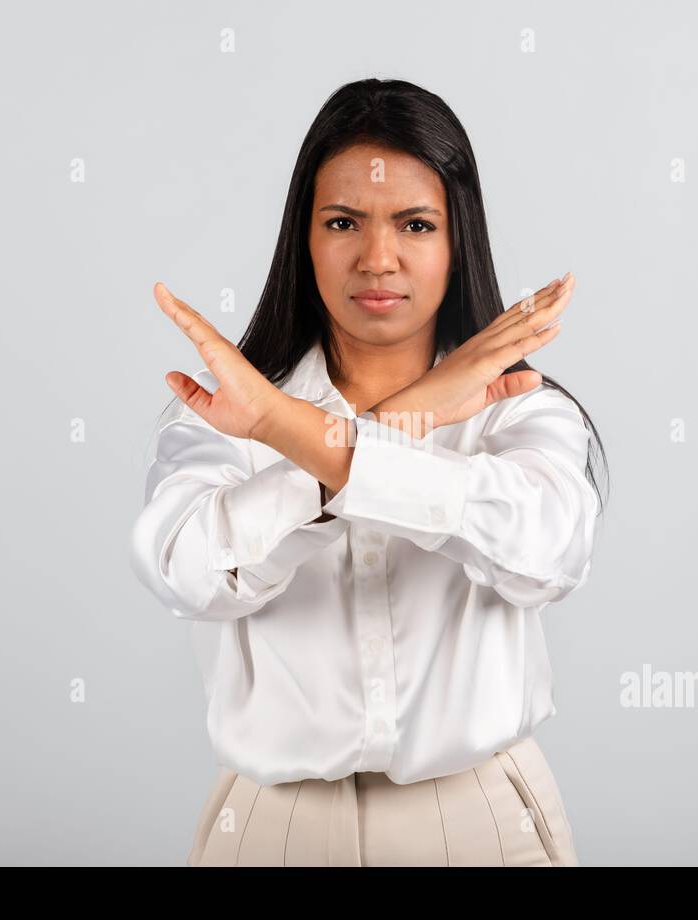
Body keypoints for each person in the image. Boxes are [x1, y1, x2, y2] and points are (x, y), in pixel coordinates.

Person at [130, 78, 607, 866]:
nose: (377, 258)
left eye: (415, 224)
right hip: (274, 827)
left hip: (482, 820)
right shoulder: (237, 410)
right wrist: (400, 420)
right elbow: (185, 572)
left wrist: (304, 442)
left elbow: (550, 553)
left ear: (458, 241)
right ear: (304, 238)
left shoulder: (516, 406)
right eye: (343, 222)